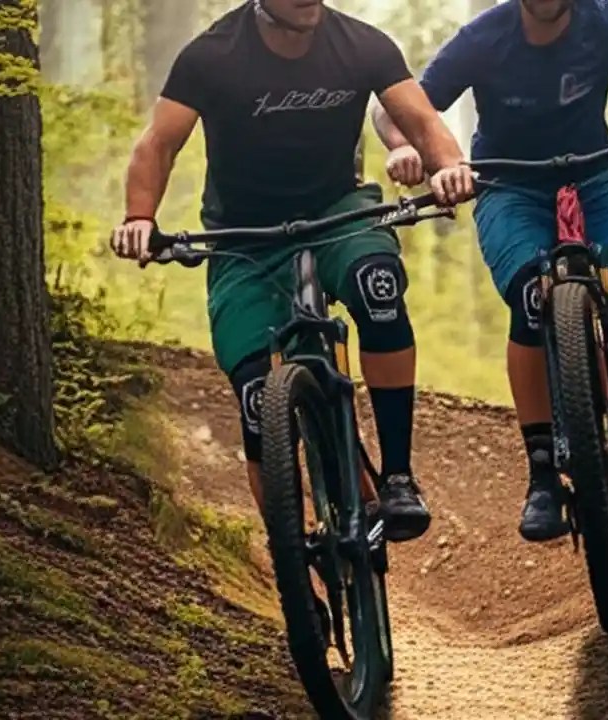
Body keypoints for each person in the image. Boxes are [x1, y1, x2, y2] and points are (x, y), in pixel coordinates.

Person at [111, 0, 475, 543]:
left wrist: (449, 166)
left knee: (378, 289)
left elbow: (421, 119)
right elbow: (159, 144)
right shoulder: (212, 55)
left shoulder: (361, 44)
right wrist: (140, 218)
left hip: (337, 212)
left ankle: (397, 477)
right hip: (244, 237)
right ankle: (293, 562)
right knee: (258, 396)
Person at [371, 0, 608, 542]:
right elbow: (393, 109)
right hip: (508, 187)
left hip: (596, 175)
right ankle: (542, 471)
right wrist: (405, 149)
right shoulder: (483, 38)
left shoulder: (605, 21)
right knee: (531, 298)